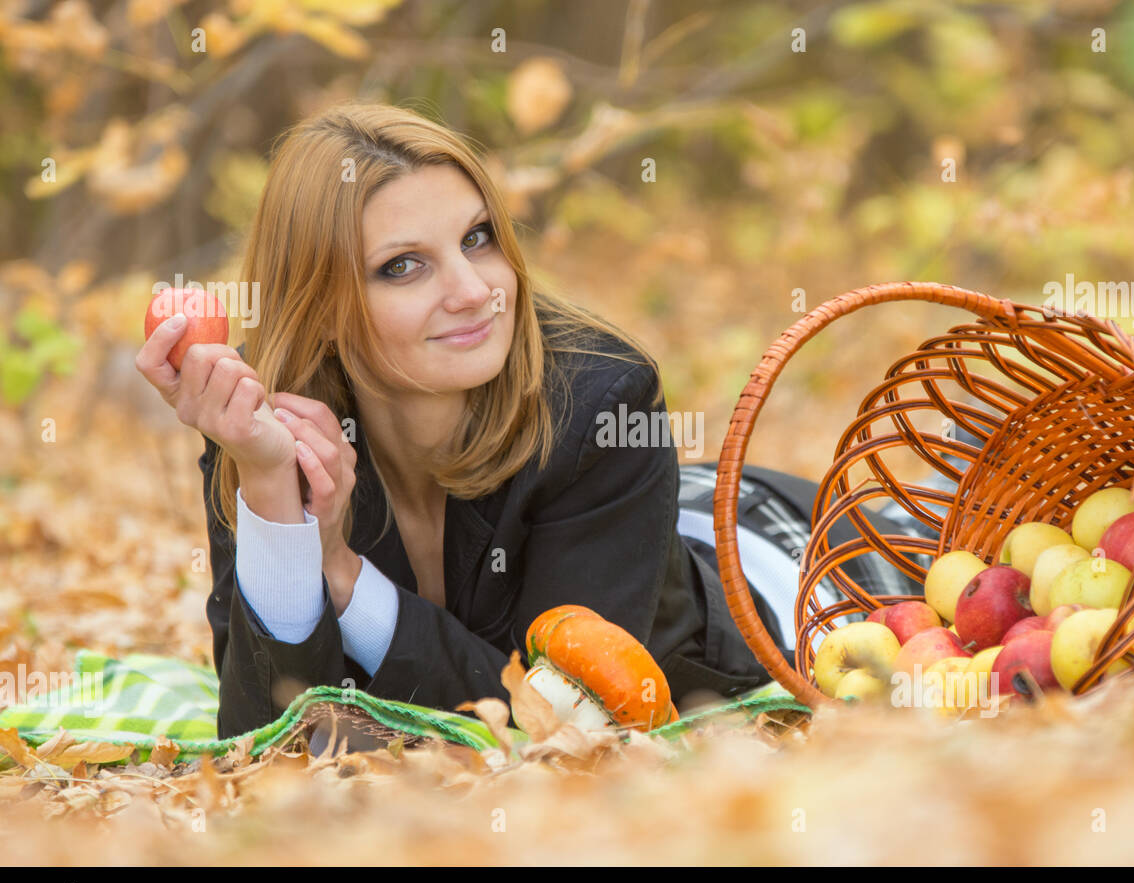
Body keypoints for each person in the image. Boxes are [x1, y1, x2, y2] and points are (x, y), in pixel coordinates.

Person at [135, 102, 927, 747]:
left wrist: (338, 572)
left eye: (477, 239)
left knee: (960, 541)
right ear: (321, 303)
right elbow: (261, 739)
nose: (476, 290)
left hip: (788, 573)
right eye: (403, 265)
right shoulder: (265, 420)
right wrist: (274, 496)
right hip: (659, 516)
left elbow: (554, 724)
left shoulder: (606, 400)